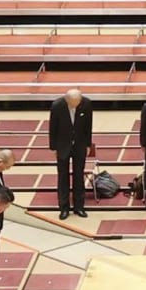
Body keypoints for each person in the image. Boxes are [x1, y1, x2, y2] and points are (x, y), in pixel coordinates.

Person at [48, 87, 94, 220]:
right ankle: (64, 207)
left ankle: (79, 206)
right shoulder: (57, 106)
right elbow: (53, 127)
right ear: (67, 100)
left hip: (79, 145)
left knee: (79, 176)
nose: (78, 104)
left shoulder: (86, 104)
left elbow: (88, 125)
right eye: (75, 102)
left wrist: (87, 144)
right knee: (63, 176)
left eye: (79, 101)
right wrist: (53, 147)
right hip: (63, 145)